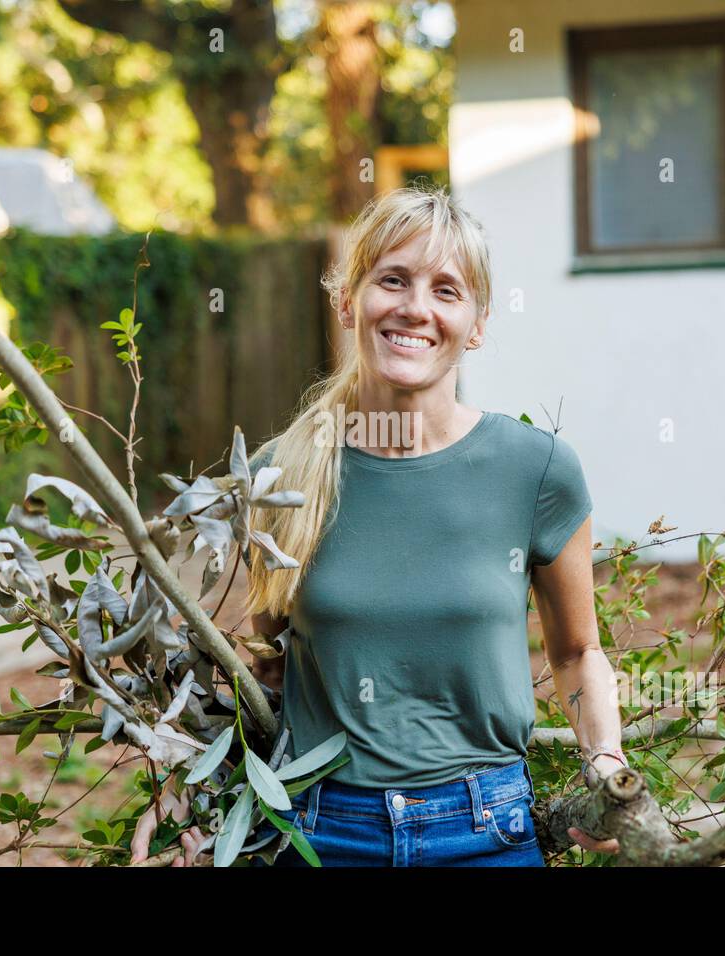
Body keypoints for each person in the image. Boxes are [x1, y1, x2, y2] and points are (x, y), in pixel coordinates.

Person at [246, 184, 627, 866]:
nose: (415, 308)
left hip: (488, 833)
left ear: (476, 324)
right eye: (392, 280)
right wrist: (216, 800)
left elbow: (575, 654)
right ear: (347, 300)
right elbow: (266, 667)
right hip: (322, 834)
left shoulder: (536, 470)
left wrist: (606, 764)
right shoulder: (282, 475)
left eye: (446, 290)